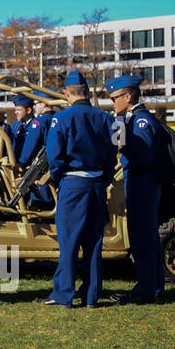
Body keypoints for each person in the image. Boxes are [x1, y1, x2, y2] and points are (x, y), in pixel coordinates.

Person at [37, 71, 116, 309]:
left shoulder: (61, 118)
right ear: (87, 91)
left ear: (66, 93)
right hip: (97, 183)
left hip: (73, 183)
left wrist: (60, 179)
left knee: (69, 241)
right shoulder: (107, 118)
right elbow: (113, 153)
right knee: (94, 242)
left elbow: (55, 155)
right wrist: (105, 177)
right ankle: (91, 295)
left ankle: (63, 294)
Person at [106, 75, 164, 305]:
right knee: (143, 236)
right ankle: (149, 286)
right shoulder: (129, 119)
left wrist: (124, 145)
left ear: (127, 97)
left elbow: (144, 156)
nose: (112, 102)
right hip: (138, 180)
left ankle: (148, 290)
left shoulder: (141, 121)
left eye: (114, 98)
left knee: (142, 237)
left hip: (143, 182)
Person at [16, 94, 57, 209]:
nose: (33, 107)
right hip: (55, 167)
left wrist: (22, 164)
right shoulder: (59, 119)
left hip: (40, 168)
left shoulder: (39, 122)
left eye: (35, 104)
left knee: (39, 201)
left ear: (43, 103)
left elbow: (30, 145)